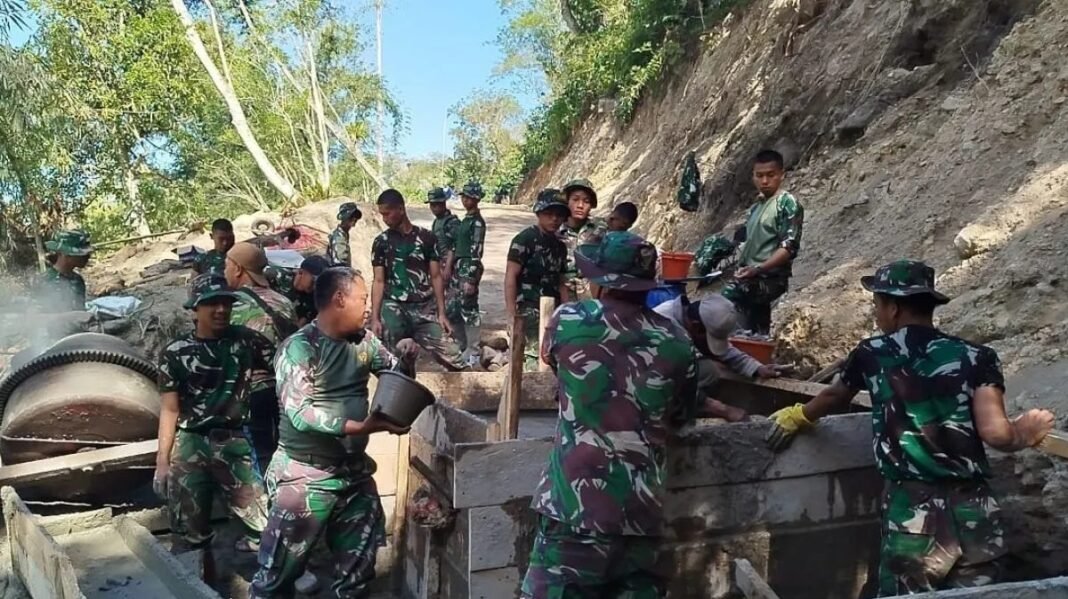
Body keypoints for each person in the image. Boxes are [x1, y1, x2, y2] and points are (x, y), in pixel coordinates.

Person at [764, 260, 1056, 596]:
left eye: (877, 305)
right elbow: (997, 434)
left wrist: (799, 416)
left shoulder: (873, 353)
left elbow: (834, 396)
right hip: (975, 513)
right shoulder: (978, 356)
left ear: (894, 307)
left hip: (915, 515)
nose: (876, 314)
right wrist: (1025, 431)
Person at [521, 231, 699, 598]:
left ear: (600, 281)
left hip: (574, 508)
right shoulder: (679, 342)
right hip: (642, 514)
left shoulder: (568, 320)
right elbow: (680, 415)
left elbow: (552, 361)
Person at [250, 267, 416, 598]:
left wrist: (407, 359)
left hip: (353, 476)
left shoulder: (364, 343)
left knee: (357, 576)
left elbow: (396, 378)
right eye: (363, 299)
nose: (368, 308)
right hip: (305, 477)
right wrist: (361, 427)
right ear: (340, 299)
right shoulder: (300, 348)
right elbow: (301, 414)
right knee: (275, 580)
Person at [154, 273, 274, 582]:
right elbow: (170, 409)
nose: (221, 310)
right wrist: (162, 462)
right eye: (211, 304)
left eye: (226, 303)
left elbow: (283, 367)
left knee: (262, 521)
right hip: (190, 444)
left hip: (233, 441)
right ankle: (200, 586)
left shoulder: (247, 340)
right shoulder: (175, 352)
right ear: (195, 308)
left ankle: (281, 578)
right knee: (189, 532)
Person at [369, 189, 467, 371]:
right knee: (392, 362)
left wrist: (441, 313)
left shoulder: (427, 238)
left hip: (424, 309)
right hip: (394, 309)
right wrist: (375, 318)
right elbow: (378, 281)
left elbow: (436, 276)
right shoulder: (381, 242)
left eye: (387, 213)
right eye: (382, 214)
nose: (384, 219)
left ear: (400, 209)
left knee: (455, 357)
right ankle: (400, 383)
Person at [654, 293, 792, 422]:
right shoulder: (663, 330)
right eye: (709, 339)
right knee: (703, 373)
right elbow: (669, 384)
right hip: (648, 383)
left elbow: (726, 352)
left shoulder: (690, 317)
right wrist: (723, 410)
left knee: (708, 370)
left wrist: (757, 368)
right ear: (696, 327)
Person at [225, 242, 298, 472]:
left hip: (252, 393)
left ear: (238, 269)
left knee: (260, 457)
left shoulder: (231, 306)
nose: (224, 271)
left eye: (226, 265)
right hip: (287, 390)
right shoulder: (283, 302)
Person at [721, 149, 804, 334]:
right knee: (757, 330)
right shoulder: (757, 206)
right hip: (750, 275)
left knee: (724, 304)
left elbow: (788, 247)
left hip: (770, 279)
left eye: (770, 175)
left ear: (782, 174)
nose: (765, 181)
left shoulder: (787, 204)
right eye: (759, 176)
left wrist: (758, 268)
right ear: (753, 176)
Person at [505, 189, 570, 371]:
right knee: (532, 358)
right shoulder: (524, 239)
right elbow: (511, 276)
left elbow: (561, 281)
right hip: (528, 309)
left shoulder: (560, 247)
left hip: (553, 309)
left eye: (559, 215)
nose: (554, 219)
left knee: (554, 355)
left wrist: (567, 311)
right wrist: (511, 314)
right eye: (549, 214)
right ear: (539, 213)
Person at [447, 181, 487, 366]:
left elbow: (477, 250)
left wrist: (471, 278)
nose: (465, 200)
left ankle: (474, 351)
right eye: (464, 197)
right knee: (455, 307)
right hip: (459, 266)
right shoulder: (466, 220)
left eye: (469, 197)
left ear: (476, 199)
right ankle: (462, 346)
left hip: (468, 267)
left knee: (469, 309)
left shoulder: (477, 222)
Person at [559, 178, 607, 301]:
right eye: (575, 200)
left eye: (586, 201)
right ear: (567, 201)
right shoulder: (555, 228)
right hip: (561, 293)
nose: (580, 205)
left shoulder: (601, 228)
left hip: (592, 294)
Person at [37, 229, 93, 312]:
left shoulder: (77, 280)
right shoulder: (45, 281)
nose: (87, 257)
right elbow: (34, 316)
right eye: (82, 254)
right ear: (65, 254)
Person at [268, 256, 330, 327]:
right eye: (314, 280)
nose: (317, 286)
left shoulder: (317, 296)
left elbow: (305, 320)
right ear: (301, 272)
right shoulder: (277, 277)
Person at [427, 187, 460, 282]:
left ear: (443, 204)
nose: (433, 208)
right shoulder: (436, 222)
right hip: (439, 263)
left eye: (436, 205)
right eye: (431, 205)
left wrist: (448, 266)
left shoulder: (452, 222)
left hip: (451, 265)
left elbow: (455, 246)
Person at [327, 202, 362, 267]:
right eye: (351, 217)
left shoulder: (343, 234)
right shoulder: (338, 237)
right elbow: (339, 264)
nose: (354, 220)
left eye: (355, 218)